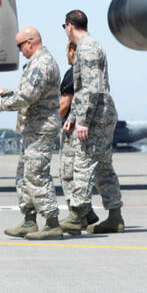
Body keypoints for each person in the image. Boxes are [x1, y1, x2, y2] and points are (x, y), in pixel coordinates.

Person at [0, 27, 63, 239]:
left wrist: (0, 104)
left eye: (20, 46)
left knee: (37, 175)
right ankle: (29, 220)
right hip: (32, 129)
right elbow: (27, 92)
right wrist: (6, 92)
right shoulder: (36, 63)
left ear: (30, 42)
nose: (20, 51)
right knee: (24, 175)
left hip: (40, 129)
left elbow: (27, 97)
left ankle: (52, 223)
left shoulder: (42, 63)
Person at [61, 10, 124, 233]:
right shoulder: (90, 47)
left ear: (69, 26)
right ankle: (115, 216)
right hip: (100, 114)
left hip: (96, 117)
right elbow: (82, 91)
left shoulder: (86, 49)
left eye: (64, 27)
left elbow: (90, 88)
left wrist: (84, 121)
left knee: (83, 163)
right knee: (103, 167)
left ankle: (78, 215)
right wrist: (72, 118)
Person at [57, 42, 98, 227]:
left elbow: (64, 104)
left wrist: (48, 123)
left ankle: (77, 217)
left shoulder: (72, 73)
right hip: (84, 127)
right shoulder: (90, 74)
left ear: (72, 51)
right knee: (79, 173)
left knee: (69, 174)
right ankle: (87, 214)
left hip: (71, 129)